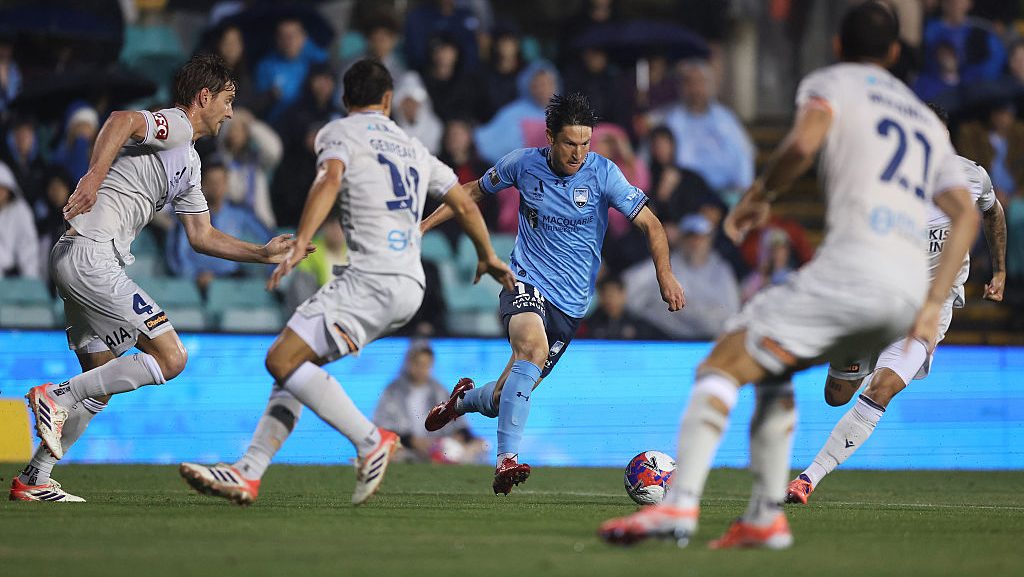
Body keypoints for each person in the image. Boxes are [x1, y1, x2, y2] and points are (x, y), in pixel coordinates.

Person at [599, 2, 978, 549]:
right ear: (895, 54)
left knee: (724, 360)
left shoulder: (834, 82)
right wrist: (932, 303)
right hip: (908, 293)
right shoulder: (923, 122)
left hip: (855, 266)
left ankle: (676, 509)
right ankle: (763, 516)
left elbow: (802, 143)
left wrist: (760, 195)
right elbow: (967, 213)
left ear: (839, 48)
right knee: (776, 370)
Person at [178, 59, 514, 507]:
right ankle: (249, 472)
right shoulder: (413, 147)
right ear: (389, 101)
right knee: (296, 364)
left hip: (371, 278)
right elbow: (466, 204)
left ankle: (370, 439)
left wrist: (301, 240)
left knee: (281, 359)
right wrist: (487, 255)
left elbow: (330, 180)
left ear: (344, 99)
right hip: (409, 284)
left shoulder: (338, 132)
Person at [12, 54, 310, 503]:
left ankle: (35, 477)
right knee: (170, 357)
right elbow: (120, 119)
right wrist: (93, 178)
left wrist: (262, 253)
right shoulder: (177, 124)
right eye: (228, 100)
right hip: (93, 255)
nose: (231, 112)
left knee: (100, 380)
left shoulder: (188, 162)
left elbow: (201, 235)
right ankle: (55, 396)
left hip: (77, 255)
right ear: (203, 97)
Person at [421, 91, 685, 495]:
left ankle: (460, 402)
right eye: (569, 144)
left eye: (585, 144)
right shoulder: (522, 164)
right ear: (549, 137)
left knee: (502, 398)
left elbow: (651, 224)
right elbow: (471, 191)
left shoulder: (603, 174)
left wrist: (665, 275)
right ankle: (506, 460)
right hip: (524, 282)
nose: (578, 153)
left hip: (572, 305)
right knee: (532, 349)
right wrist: (420, 229)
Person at [786, 116, 1008, 504]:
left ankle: (808, 479)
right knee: (836, 396)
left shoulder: (971, 178)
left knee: (882, 389)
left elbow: (993, 212)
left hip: (928, 310)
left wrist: (1000, 269)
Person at [623, 213, 739, 339]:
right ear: (682, 239)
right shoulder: (666, 265)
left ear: (709, 239)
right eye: (690, 237)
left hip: (709, 341)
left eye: (700, 237)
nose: (695, 243)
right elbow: (627, 288)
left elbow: (732, 314)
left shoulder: (721, 270)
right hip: (668, 339)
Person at [167, 158, 273, 292]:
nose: (216, 187)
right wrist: (195, 276)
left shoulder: (242, 214)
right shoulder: (187, 216)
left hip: (235, 284)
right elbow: (176, 256)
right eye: (211, 182)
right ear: (202, 184)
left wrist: (267, 275)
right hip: (195, 286)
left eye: (220, 181)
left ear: (227, 183)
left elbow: (268, 244)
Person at [373, 341, 487, 464]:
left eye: (426, 365)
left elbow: (459, 424)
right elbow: (382, 427)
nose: (421, 369)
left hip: (439, 447)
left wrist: (461, 437)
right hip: (405, 448)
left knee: (479, 446)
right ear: (408, 363)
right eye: (418, 364)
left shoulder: (439, 390)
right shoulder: (393, 391)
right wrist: (411, 441)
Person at [0, 159, 40, 278]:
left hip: (15, 278)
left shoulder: (21, 211)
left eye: (2, 188)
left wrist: (29, 280)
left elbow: (28, 246)